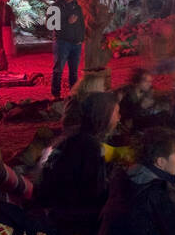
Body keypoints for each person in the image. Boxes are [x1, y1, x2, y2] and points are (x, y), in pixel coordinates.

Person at [38, 91, 118, 227]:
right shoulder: (90, 147)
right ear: (105, 115)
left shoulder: (70, 138)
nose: (119, 118)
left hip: (54, 208)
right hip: (69, 218)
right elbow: (94, 193)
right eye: (116, 113)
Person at [50, 0, 85, 99]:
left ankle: (73, 94)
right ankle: (56, 95)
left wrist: (81, 39)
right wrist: (67, 22)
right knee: (58, 70)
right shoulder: (55, 6)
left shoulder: (77, 7)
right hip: (62, 43)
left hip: (76, 44)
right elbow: (50, 25)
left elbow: (81, 25)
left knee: (74, 71)